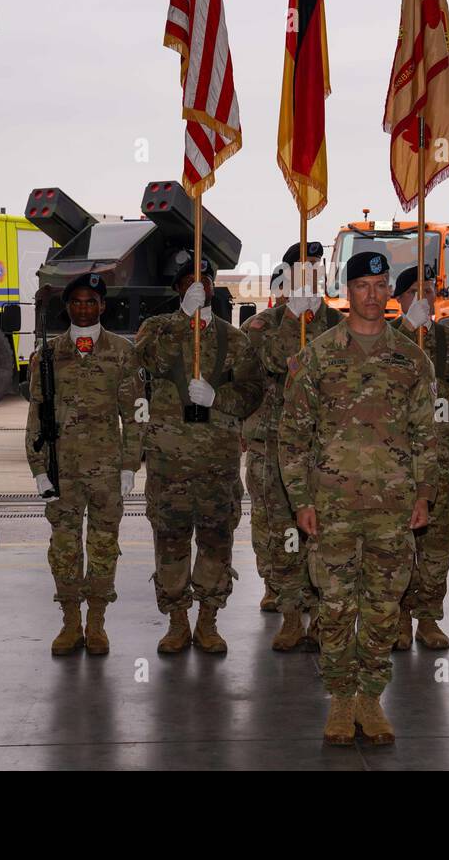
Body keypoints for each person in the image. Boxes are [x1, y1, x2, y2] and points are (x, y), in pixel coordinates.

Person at [280, 250, 439, 745]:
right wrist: (301, 499)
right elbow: (292, 435)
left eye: (380, 285)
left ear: (390, 290)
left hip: (393, 509)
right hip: (332, 508)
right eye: (363, 286)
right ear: (347, 292)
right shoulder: (317, 356)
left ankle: (371, 698)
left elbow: (424, 433)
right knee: (333, 607)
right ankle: (340, 699)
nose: (372, 295)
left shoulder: (412, 358)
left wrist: (425, 493)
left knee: (383, 608)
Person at [135, 255, 263, 654]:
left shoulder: (234, 339)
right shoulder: (156, 330)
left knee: (215, 542)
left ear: (212, 286)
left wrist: (216, 397)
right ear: (178, 290)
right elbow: (144, 362)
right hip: (168, 463)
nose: (198, 286)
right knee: (170, 544)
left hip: (216, 464)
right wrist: (181, 320)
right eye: (189, 281)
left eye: (204, 280)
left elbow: (251, 393)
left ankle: (208, 621)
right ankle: (176, 622)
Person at [25, 272, 145, 656]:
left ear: (102, 306)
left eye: (90, 301)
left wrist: (129, 466)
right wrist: (38, 468)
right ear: (67, 307)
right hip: (63, 470)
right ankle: (70, 623)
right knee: (64, 547)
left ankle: (96, 624)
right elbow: (36, 415)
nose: (83, 307)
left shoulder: (123, 353)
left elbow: (136, 414)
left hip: (107, 470)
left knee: (104, 546)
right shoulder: (47, 355)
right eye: (76, 301)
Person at [248, 241, 341, 651]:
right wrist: (292, 316)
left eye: (317, 272)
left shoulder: (340, 325)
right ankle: (289, 613)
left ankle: (321, 616)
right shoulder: (262, 326)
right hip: (273, 448)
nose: (312, 278)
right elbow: (275, 361)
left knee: (324, 537)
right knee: (279, 534)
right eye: (303, 271)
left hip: (326, 453)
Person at [392, 264, 449, 649]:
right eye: (415, 291)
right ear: (399, 299)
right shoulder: (385, 339)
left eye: (429, 290)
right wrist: (410, 335)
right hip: (394, 462)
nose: (424, 298)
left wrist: (433, 384)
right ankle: (396, 619)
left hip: (440, 460)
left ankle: (428, 618)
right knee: (395, 546)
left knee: (436, 547)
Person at [240, 262, 289, 614]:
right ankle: (272, 583)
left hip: (311, 442)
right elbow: (244, 382)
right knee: (267, 516)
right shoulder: (257, 328)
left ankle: (307, 585)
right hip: (264, 438)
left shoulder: (329, 326)